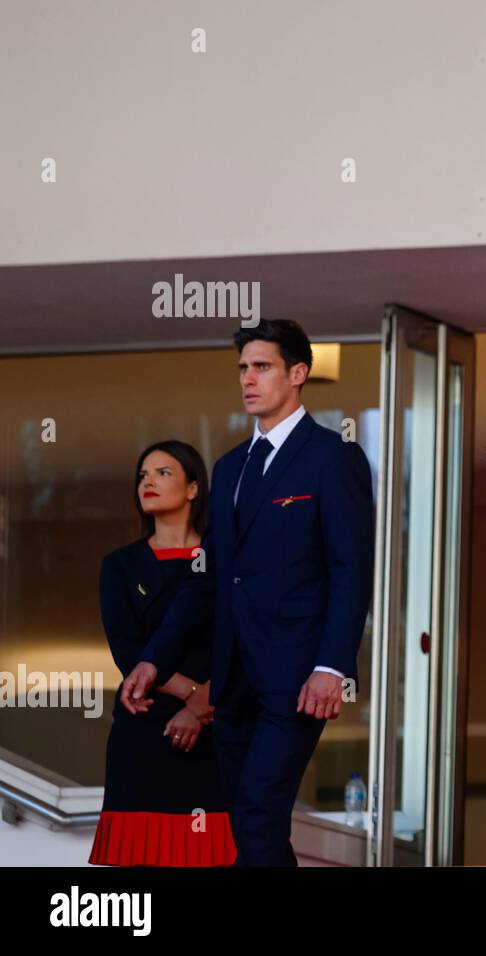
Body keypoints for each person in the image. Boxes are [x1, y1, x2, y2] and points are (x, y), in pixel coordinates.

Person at [120, 319, 374, 866]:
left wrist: (332, 666)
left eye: (262, 367)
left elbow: (351, 569)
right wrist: (153, 659)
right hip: (231, 681)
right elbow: (206, 577)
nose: (248, 379)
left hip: (296, 678)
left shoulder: (333, 457)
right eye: (243, 368)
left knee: (259, 808)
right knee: (247, 823)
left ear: (298, 374)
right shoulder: (229, 467)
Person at [90, 440, 234, 866]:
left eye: (163, 473)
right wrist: (193, 694)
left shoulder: (226, 560)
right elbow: (128, 650)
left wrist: (206, 704)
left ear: (193, 488)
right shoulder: (119, 565)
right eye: (142, 475)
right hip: (143, 727)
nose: (148, 482)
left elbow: (244, 640)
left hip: (217, 728)